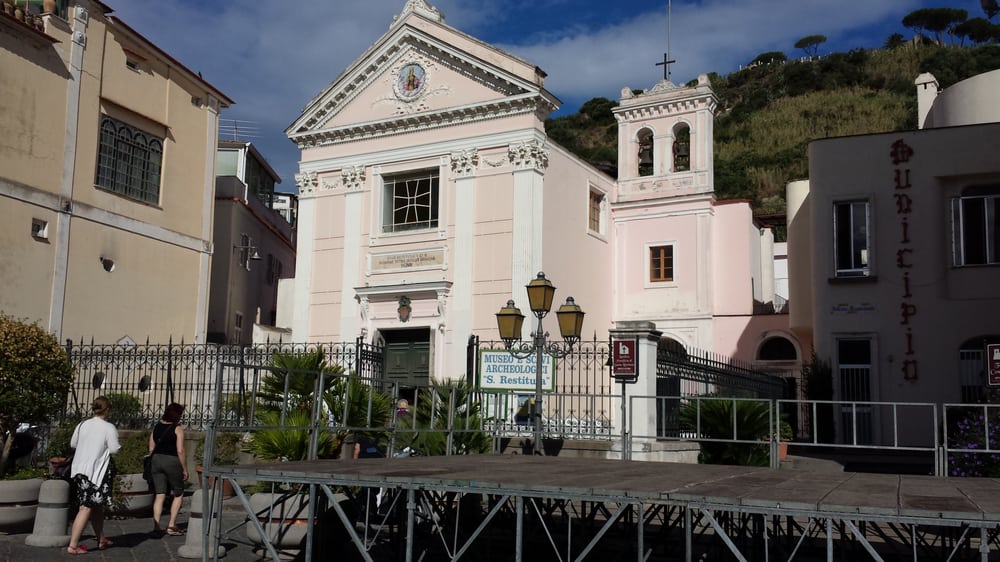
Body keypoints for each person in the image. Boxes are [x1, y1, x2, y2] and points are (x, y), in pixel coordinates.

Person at [67, 396, 121, 555]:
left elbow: (73, 444)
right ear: (108, 409)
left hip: (79, 469)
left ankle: (101, 538)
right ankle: (73, 545)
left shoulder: (82, 424)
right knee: (86, 507)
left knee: (96, 506)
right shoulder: (108, 427)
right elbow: (114, 449)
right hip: (96, 472)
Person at [148, 402, 188, 537]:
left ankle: (156, 526)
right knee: (178, 493)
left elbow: (151, 448)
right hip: (171, 461)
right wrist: (184, 468)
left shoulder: (156, 427)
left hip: (156, 460)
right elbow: (180, 450)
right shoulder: (177, 429)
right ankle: (171, 525)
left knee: (160, 494)